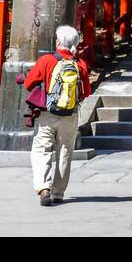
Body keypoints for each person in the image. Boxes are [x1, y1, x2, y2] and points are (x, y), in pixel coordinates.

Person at [23, 25, 91, 206]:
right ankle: (58, 193)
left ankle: (43, 188)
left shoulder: (46, 60)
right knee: (65, 151)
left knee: (41, 149)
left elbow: (29, 83)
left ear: (59, 41)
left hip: (47, 113)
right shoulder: (81, 64)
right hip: (70, 115)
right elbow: (86, 93)